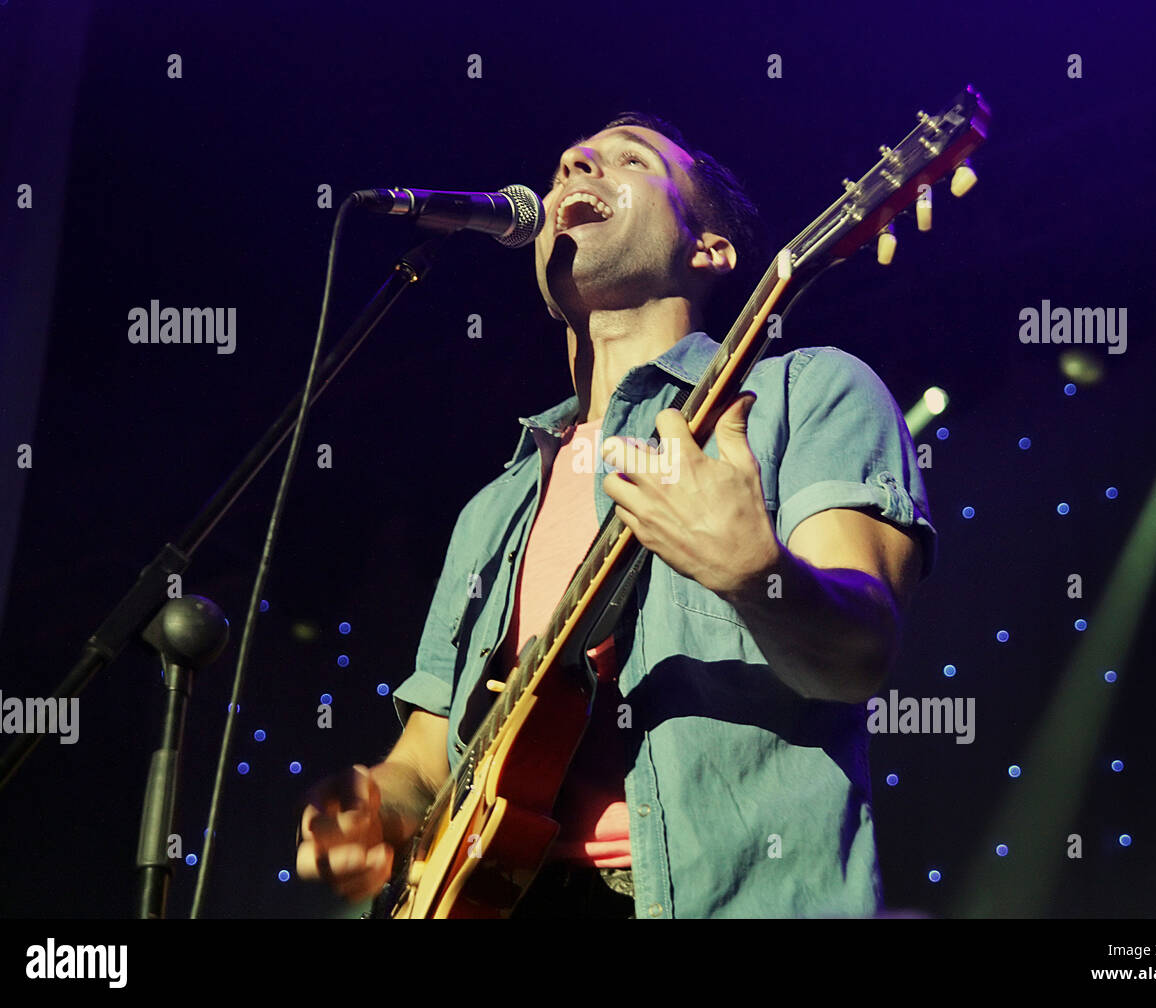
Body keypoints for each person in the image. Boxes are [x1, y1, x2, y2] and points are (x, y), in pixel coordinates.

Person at [296, 112, 936, 918]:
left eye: (627, 159)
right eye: (569, 163)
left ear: (710, 249)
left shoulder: (800, 395)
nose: (573, 163)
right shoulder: (493, 510)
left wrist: (757, 575)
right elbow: (426, 760)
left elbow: (859, 656)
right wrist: (372, 808)